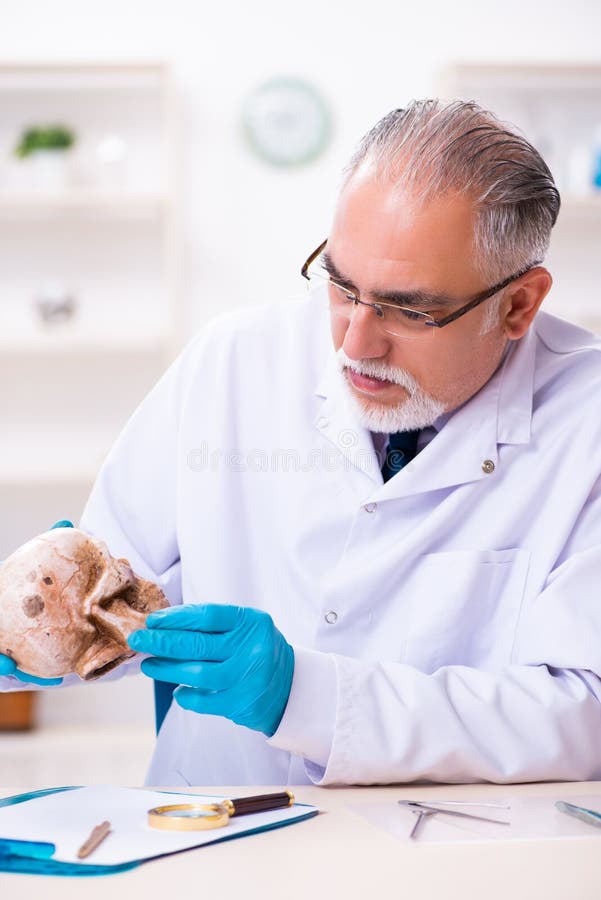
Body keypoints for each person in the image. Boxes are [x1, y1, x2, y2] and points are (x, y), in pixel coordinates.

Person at [2, 98, 601, 787]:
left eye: (409, 309)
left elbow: (580, 713)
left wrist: (310, 698)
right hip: (209, 827)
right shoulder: (232, 359)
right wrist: (59, 622)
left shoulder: (585, 423)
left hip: (448, 863)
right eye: (342, 285)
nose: (354, 342)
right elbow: (114, 593)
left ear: (519, 305)